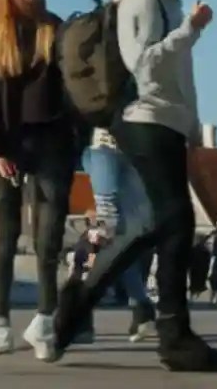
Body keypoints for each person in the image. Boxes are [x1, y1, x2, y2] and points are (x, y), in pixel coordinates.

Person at [51, 0, 217, 372]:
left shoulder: (171, 1)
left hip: (166, 120)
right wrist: (191, 29)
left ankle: (80, 302)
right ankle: (173, 334)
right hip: (142, 118)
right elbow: (142, 62)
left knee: (155, 225)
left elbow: (179, 75)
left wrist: (192, 126)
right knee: (177, 220)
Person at [0, 0, 76, 360]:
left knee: (48, 239)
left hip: (52, 142)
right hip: (9, 147)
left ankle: (45, 321)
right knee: (4, 239)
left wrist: (75, 137)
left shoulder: (57, 30)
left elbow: (73, 90)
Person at [81, 126, 158, 342]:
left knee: (123, 236)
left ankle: (82, 314)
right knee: (111, 231)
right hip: (106, 146)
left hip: (130, 149)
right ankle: (141, 309)